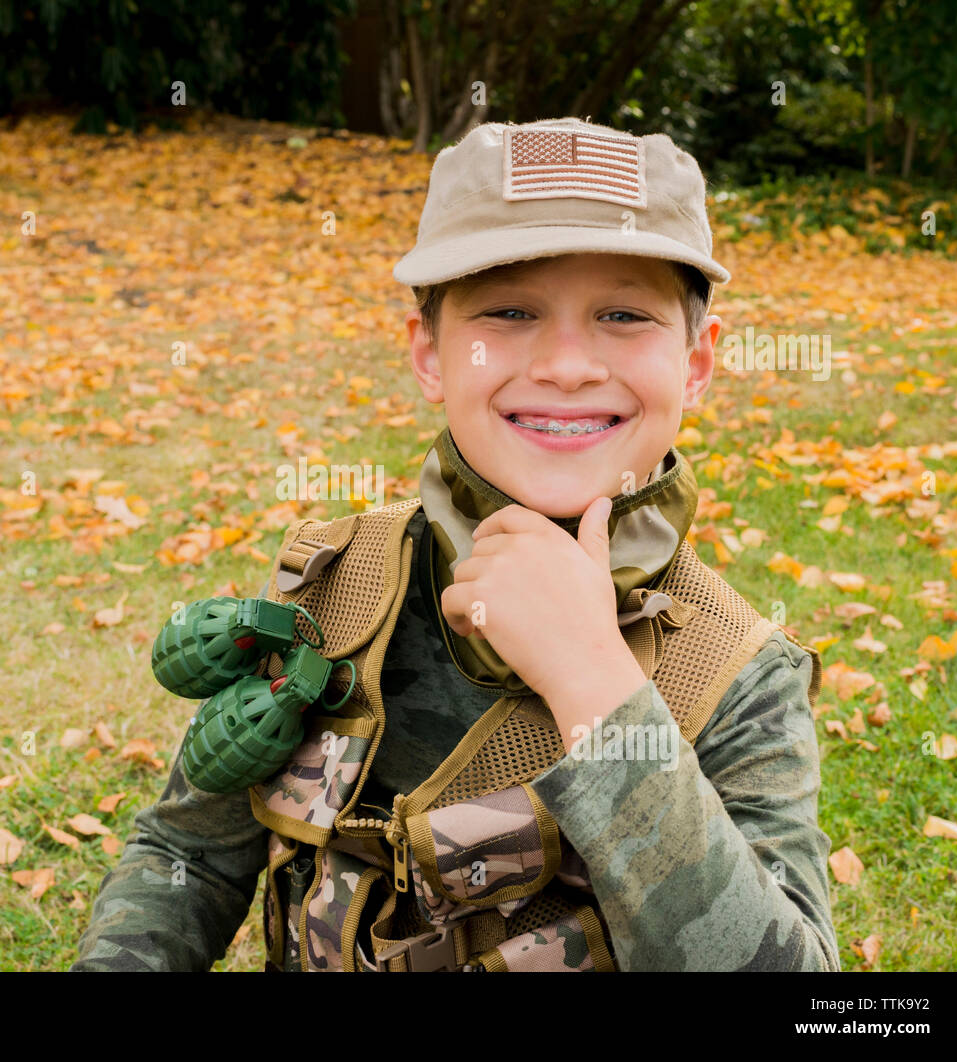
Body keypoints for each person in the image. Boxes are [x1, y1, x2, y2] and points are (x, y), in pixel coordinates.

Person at [72, 117, 840, 972]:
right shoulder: (328, 588)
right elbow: (187, 858)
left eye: (624, 314)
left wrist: (594, 675)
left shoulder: (735, 676)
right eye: (508, 311)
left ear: (696, 363)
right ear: (430, 354)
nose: (568, 364)